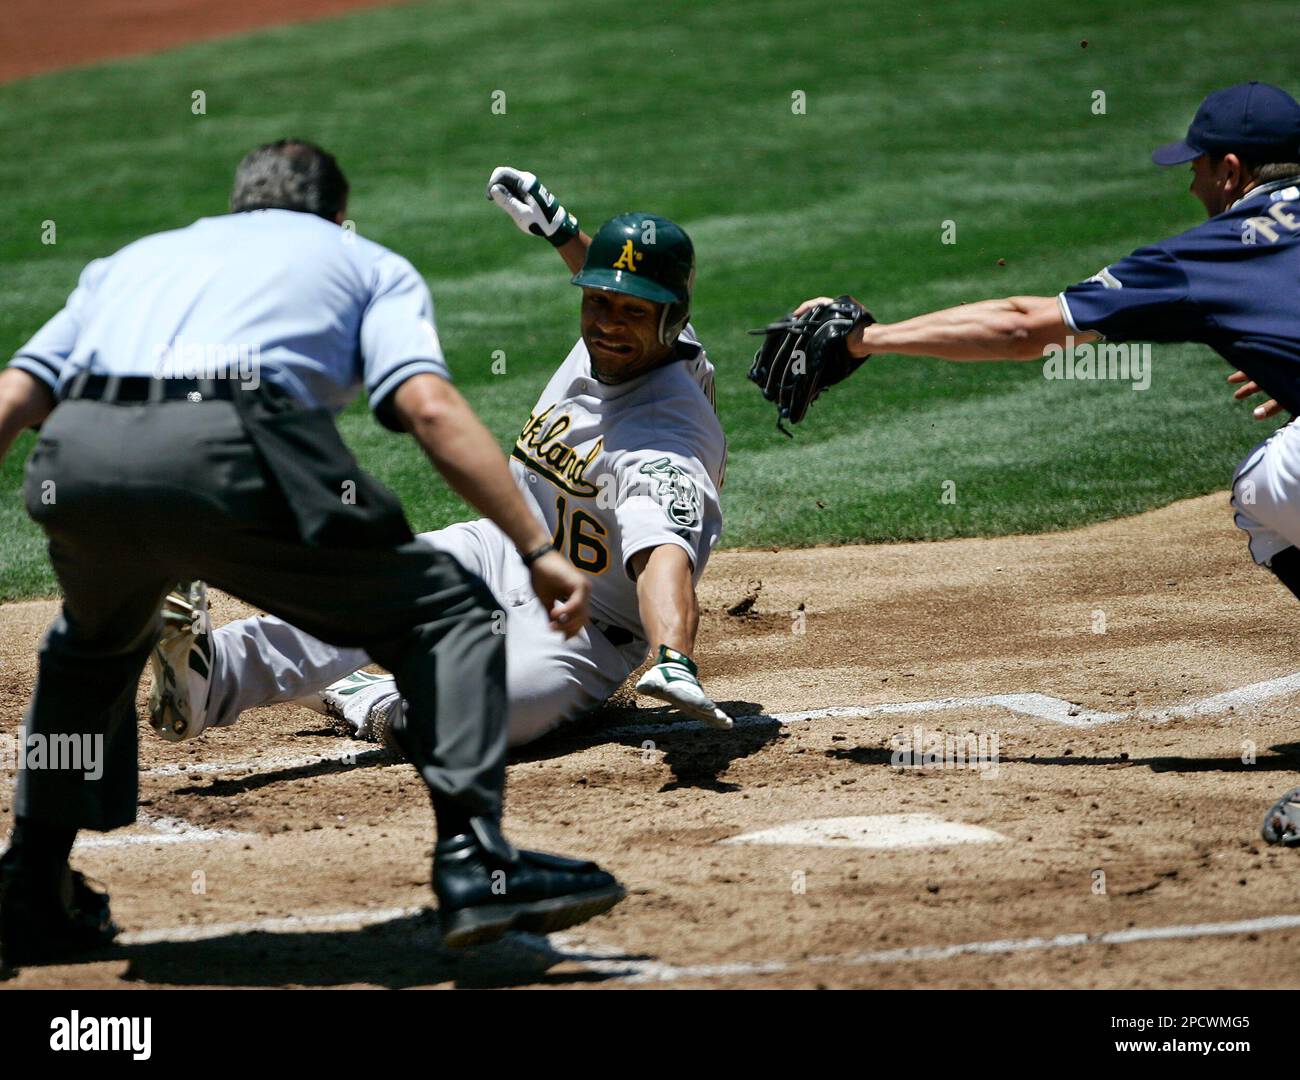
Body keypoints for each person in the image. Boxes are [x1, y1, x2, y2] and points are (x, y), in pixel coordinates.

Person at [0, 139, 625, 965]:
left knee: (85, 659)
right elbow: (429, 410)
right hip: (236, 447)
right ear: (336, 215)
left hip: (77, 462)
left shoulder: (130, 261)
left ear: (237, 206)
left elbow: (19, 393)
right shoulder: (362, 260)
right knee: (446, 613)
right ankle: (477, 861)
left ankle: (30, 886)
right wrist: (535, 544)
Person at [786, 82, 1300, 845]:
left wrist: (863, 339)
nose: (1190, 184)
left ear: (1231, 171)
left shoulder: (1224, 246)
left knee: (1268, 487)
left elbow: (1027, 325)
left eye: (1196, 168)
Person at [146, 167, 731, 753]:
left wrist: (672, 654)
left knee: (464, 722)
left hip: (582, 630)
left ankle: (360, 696)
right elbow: (616, 278)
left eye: (630, 312)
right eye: (597, 302)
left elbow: (665, 560)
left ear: (670, 318)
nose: (606, 325)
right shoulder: (654, 337)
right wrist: (561, 232)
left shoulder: (668, 441)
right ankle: (209, 678)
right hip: (501, 548)